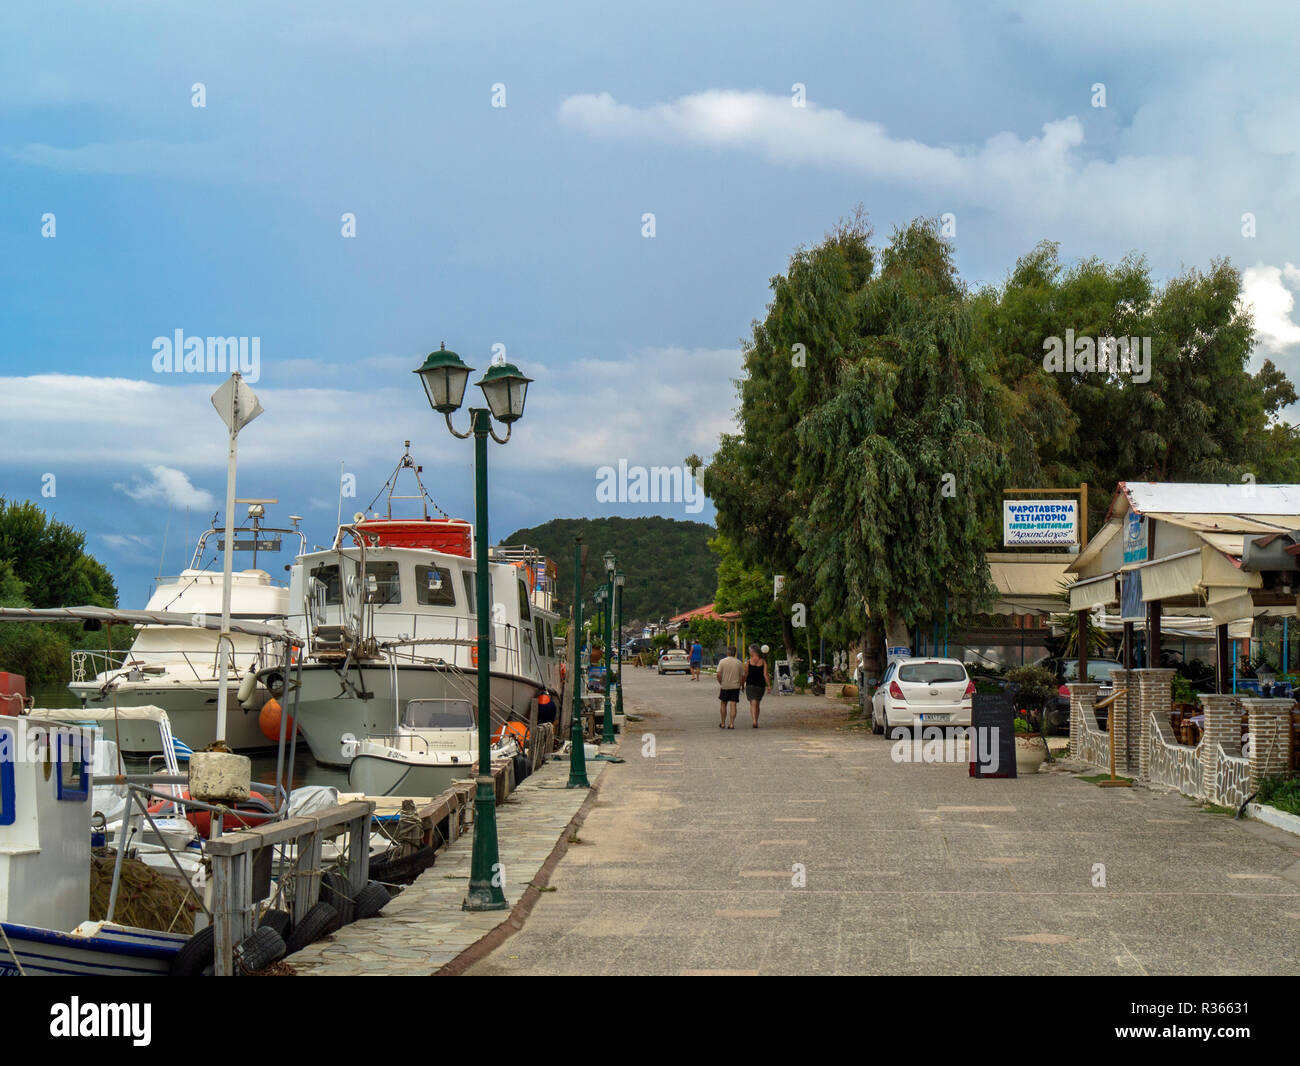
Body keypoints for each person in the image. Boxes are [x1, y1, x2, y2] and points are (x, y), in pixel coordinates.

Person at [715, 646, 744, 729]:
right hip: (735, 687)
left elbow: (718, 674)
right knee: (733, 704)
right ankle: (731, 724)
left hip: (725, 686)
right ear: (735, 653)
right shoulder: (739, 662)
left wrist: (721, 682)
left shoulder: (722, 661)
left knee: (723, 704)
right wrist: (742, 685)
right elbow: (742, 675)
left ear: (727, 652)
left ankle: (723, 723)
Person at [745, 644, 770, 728]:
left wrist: (742, 684)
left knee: (752, 703)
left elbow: (746, 674)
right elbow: (765, 674)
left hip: (750, 685)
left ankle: (754, 721)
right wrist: (769, 686)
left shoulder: (748, 662)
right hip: (760, 685)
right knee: (757, 704)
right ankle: (756, 720)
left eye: (749, 650)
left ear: (752, 651)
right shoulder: (763, 661)